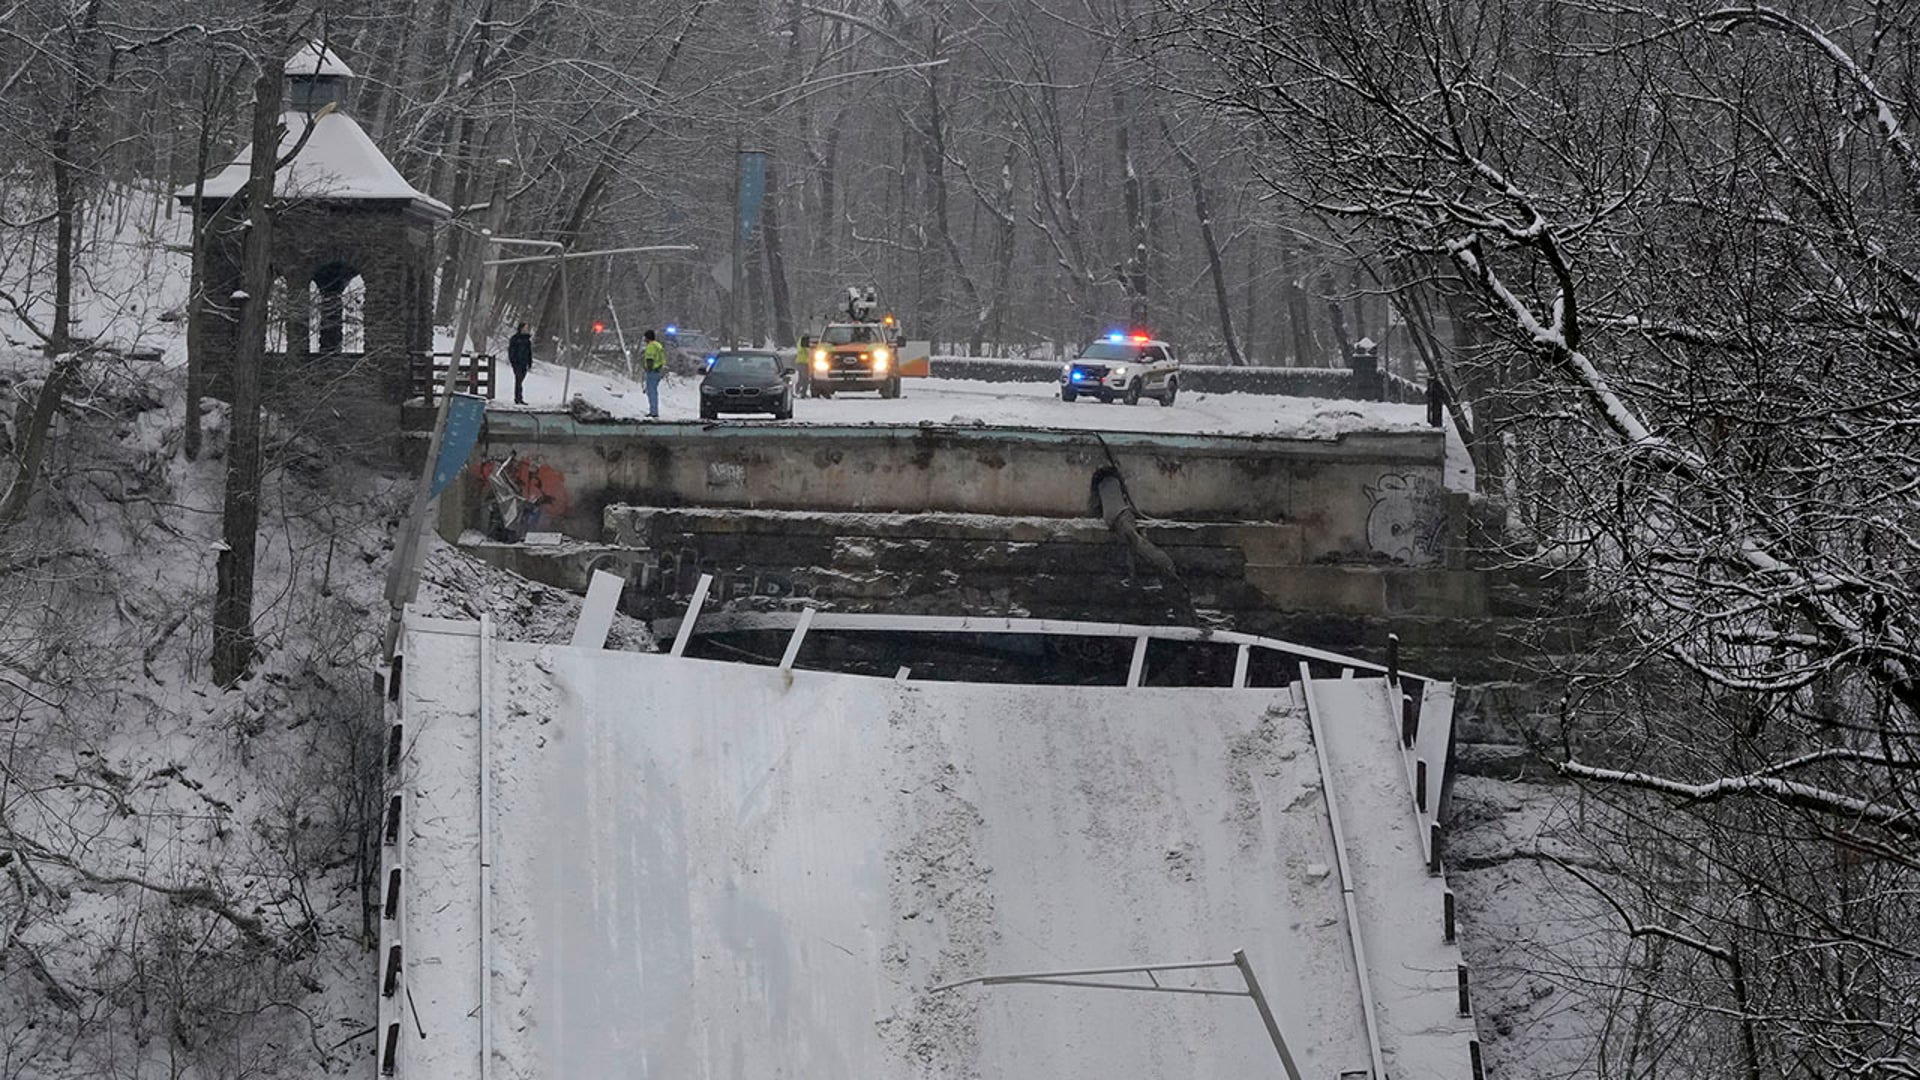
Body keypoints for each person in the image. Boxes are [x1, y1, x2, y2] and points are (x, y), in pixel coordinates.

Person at [641, 329, 667, 418]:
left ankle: (653, 412)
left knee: (651, 392)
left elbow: (650, 359)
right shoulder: (658, 345)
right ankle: (654, 410)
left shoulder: (651, 346)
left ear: (647, 338)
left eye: (645, 338)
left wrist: (648, 368)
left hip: (652, 371)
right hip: (658, 370)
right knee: (654, 391)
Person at [508, 322, 533, 405]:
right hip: (517, 362)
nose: (526, 329)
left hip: (524, 363)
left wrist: (529, 362)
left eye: (527, 328)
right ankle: (518, 398)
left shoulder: (527, 340)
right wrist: (513, 361)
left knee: (520, 380)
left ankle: (519, 397)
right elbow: (511, 350)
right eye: (525, 328)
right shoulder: (515, 338)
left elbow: (529, 352)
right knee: (518, 379)